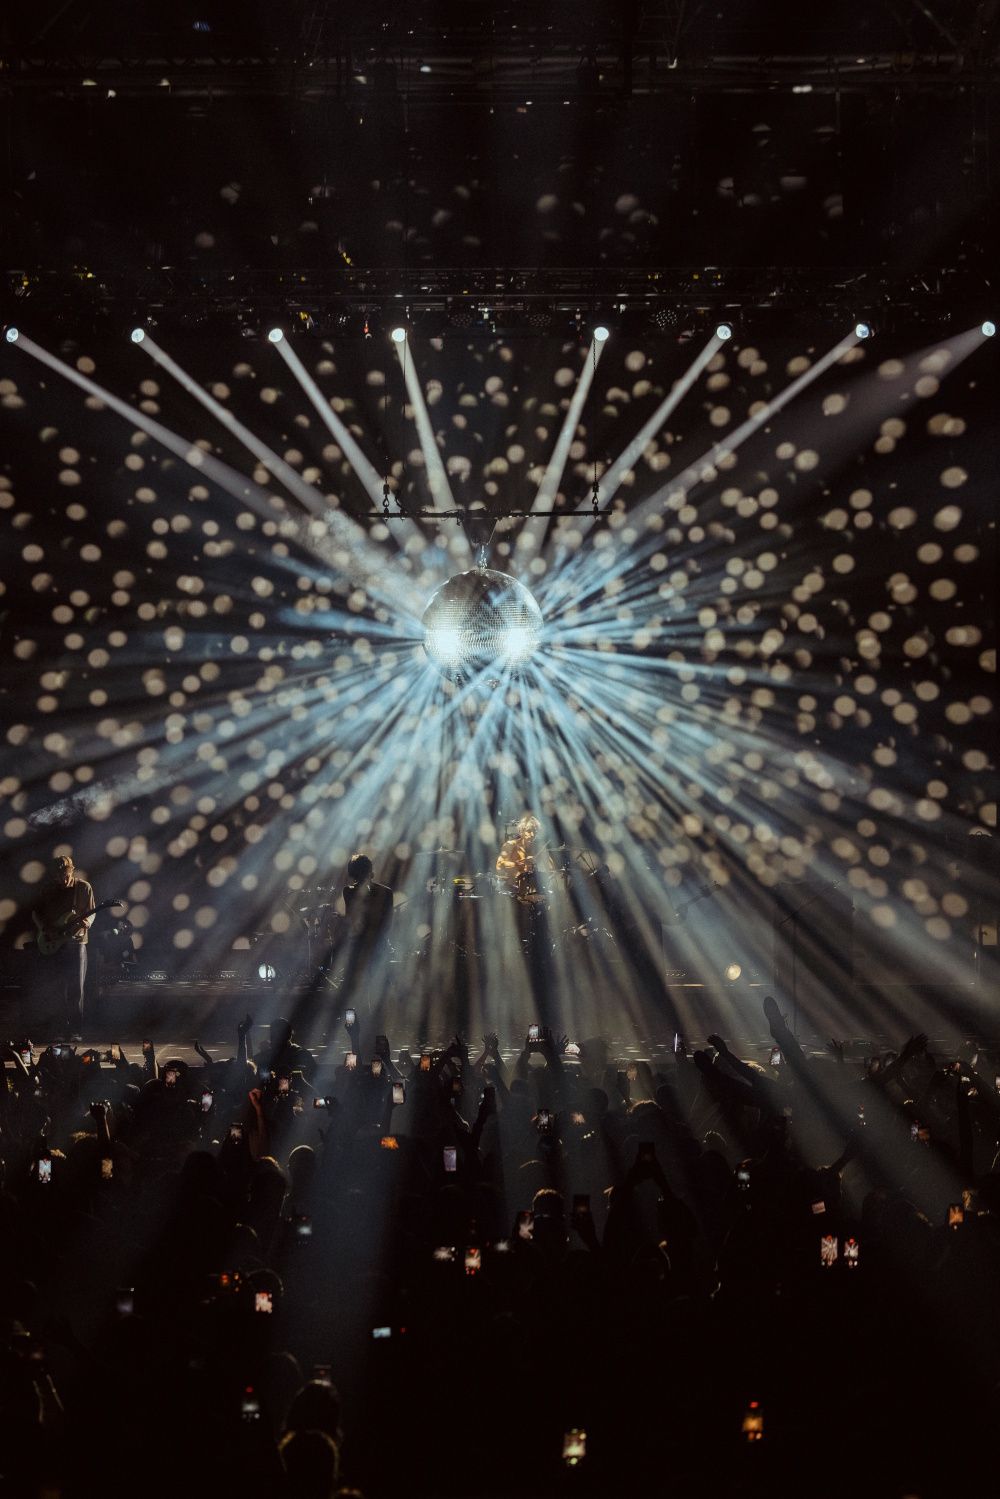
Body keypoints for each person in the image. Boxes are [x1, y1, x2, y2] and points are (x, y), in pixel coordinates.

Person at [32, 855, 95, 1040]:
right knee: (57, 989)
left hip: (76, 943)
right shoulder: (48, 890)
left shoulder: (84, 887)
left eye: (67, 875)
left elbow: (92, 912)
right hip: (53, 942)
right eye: (60, 876)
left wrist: (88, 922)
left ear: (72, 871)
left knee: (76, 988)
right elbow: (36, 913)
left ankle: (75, 1031)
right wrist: (43, 929)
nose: (64, 879)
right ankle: (59, 1029)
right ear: (54, 876)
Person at [495, 813, 542, 900]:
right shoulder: (510, 845)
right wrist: (521, 863)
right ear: (521, 831)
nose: (532, 834)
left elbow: (550, 869)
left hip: (528, 891)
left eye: (534, 831)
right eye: (529, 831)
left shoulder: (536, 849)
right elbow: (499, 865)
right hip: (510, 890)